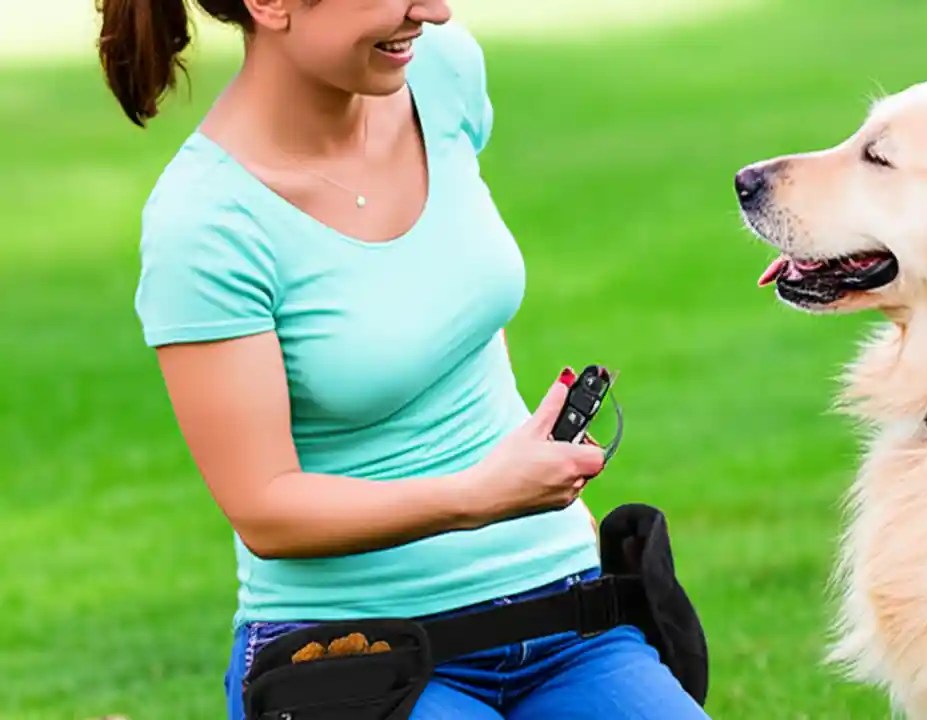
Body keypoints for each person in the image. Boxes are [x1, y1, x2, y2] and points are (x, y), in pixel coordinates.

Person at [96, 1, 708, 718]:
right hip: (356, 654)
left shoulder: (439, 69)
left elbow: (444, 300)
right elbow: (265, 508)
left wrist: (515, 458)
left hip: (562, 615)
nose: (435, 9)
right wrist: (480, 494)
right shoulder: (205, 221)